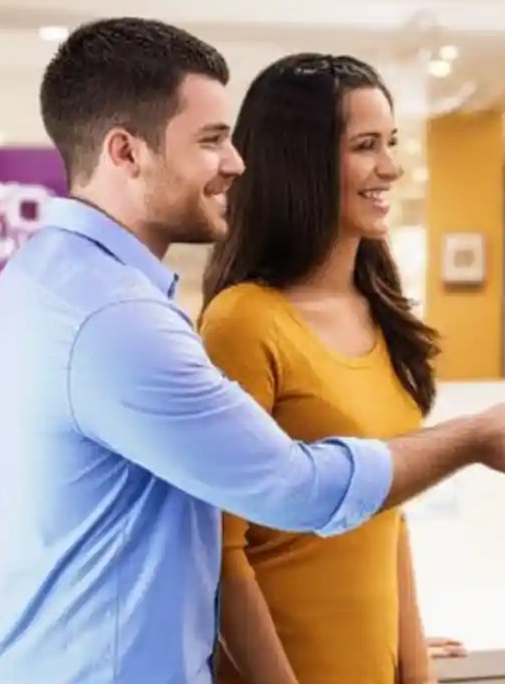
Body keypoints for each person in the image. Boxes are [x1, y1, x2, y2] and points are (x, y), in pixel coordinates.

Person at [0, 17, 505, 684]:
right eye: (210, 141)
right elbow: (293, 490)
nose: (235, 162)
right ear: (126, 152)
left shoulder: (41, 280)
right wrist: (476, 438)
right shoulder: (120, 319)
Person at [198, 53, 460, 684]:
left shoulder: (378, 309)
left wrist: (413, 664)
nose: (391, 167)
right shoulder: (243, 322)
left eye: (390, 143)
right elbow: (221, 558)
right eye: (366, 146)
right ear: (302, 161)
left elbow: (387, 516)